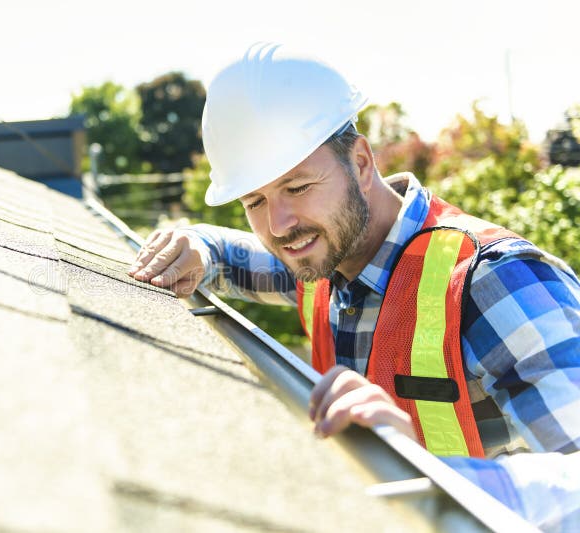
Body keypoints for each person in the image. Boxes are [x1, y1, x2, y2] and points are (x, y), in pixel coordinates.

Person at [127, 43, 580, 529]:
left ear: (361, 163)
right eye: (254, 200)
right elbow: (232, 256)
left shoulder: (495, 280)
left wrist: (422, 476)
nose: (278, 225)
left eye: (298, 187)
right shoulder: (325, 263)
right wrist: (198, 243)